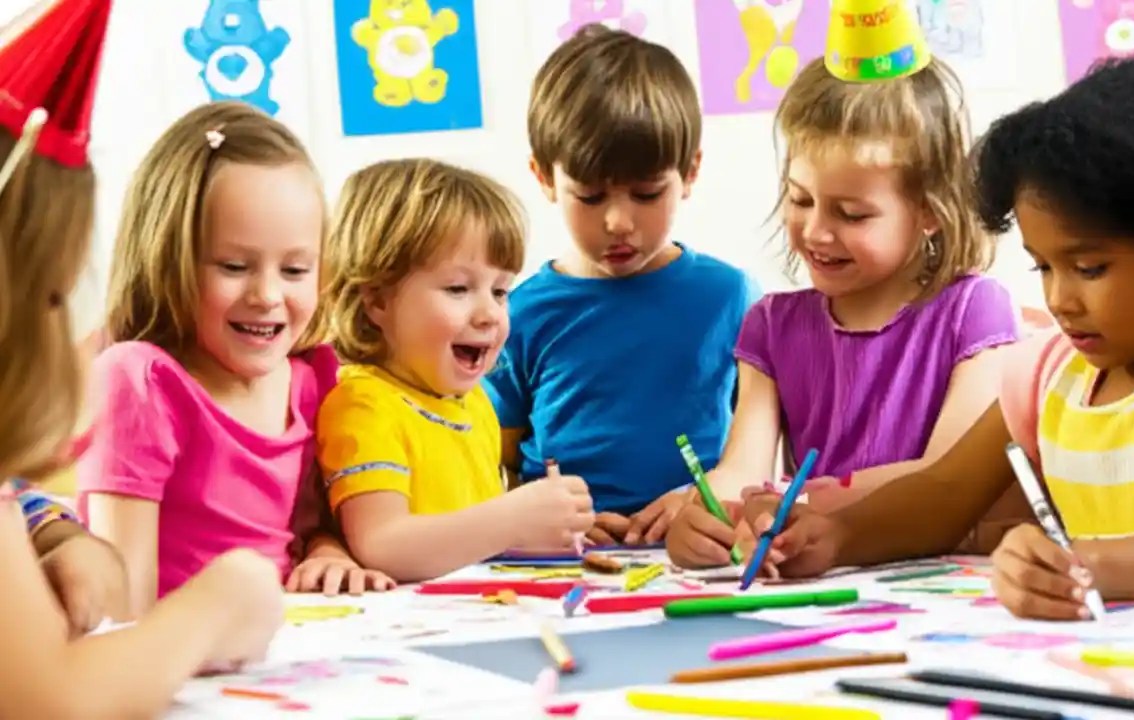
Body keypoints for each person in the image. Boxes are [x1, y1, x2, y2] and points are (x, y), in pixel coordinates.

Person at [737, 57, 1134, 621]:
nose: (1061, 299)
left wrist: (1079, 565)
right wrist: (836, 535)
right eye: (1042, 267)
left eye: (1090, 268)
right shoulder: (1050, 372)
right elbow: (945, 492)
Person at [0, 2, 285, 714]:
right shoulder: (138, 377)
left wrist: (54, 533)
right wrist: (216, 608)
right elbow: (53, 701)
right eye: (55, 297)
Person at [666, 45, 1019, 568]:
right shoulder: (770, 325)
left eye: (852, 214)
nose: (815, 231)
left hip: (933, 578)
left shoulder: (974, 312)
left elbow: (945, 476)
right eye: (800, 199)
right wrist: (706, 513)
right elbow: (741, 469)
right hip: (817, 579)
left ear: (930, 211)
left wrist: (802, 504)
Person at [77, 101, 392, 612]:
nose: (267, 294)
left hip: (292, 647)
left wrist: (328, 553)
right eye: (233, 265)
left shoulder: (313, 381)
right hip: (177, 664)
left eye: (294, 271)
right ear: (167, 257)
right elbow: (121, 609)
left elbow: (309, 527)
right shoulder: (141, 382)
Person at [483, 24, 760, 546]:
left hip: (702, 552)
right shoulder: (513, 313)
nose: (618, 222)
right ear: (544, 177)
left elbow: (762, 455)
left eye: (647, 193)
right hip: (566, 561)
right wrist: (539, 521)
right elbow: (486, 473)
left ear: (691, 171)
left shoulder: (731, 298)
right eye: (589, 197)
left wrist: (710, 502)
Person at [317, 159, 594, 581]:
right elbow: (381, 544)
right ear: (377, 301)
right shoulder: (364, 405)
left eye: (500, 291)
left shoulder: (473, 403)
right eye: (458, 289)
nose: (489, 314)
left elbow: (470, 540)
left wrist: (546, 531)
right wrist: (514, 519)